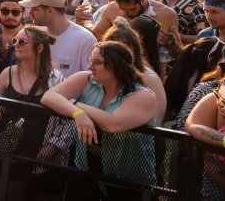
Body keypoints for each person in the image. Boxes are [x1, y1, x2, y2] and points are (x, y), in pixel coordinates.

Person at [40, 41, 158, 199]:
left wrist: (77, 104)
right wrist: (77, 114)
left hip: (126, 180)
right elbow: (49, 96)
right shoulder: (86, 80)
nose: (90, 66)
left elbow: (113, 124)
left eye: (97, 62)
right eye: (90, 60)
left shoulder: (143, 95)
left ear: (116, 65)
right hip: (85, 166)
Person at [0, 24, 65, 199]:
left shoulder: (56, 79)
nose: (15, 44)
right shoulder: (7, 73)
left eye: (22, 42)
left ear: (39, 48)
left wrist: (53, 146)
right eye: (15, 40)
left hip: (42, 154)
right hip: (11, 150)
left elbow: (64, 121)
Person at [22, 0, 96, 77]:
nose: (30, 13)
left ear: (50, 11)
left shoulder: (85, 39)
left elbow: (91, 78)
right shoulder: (35, 33)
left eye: (35, 9)